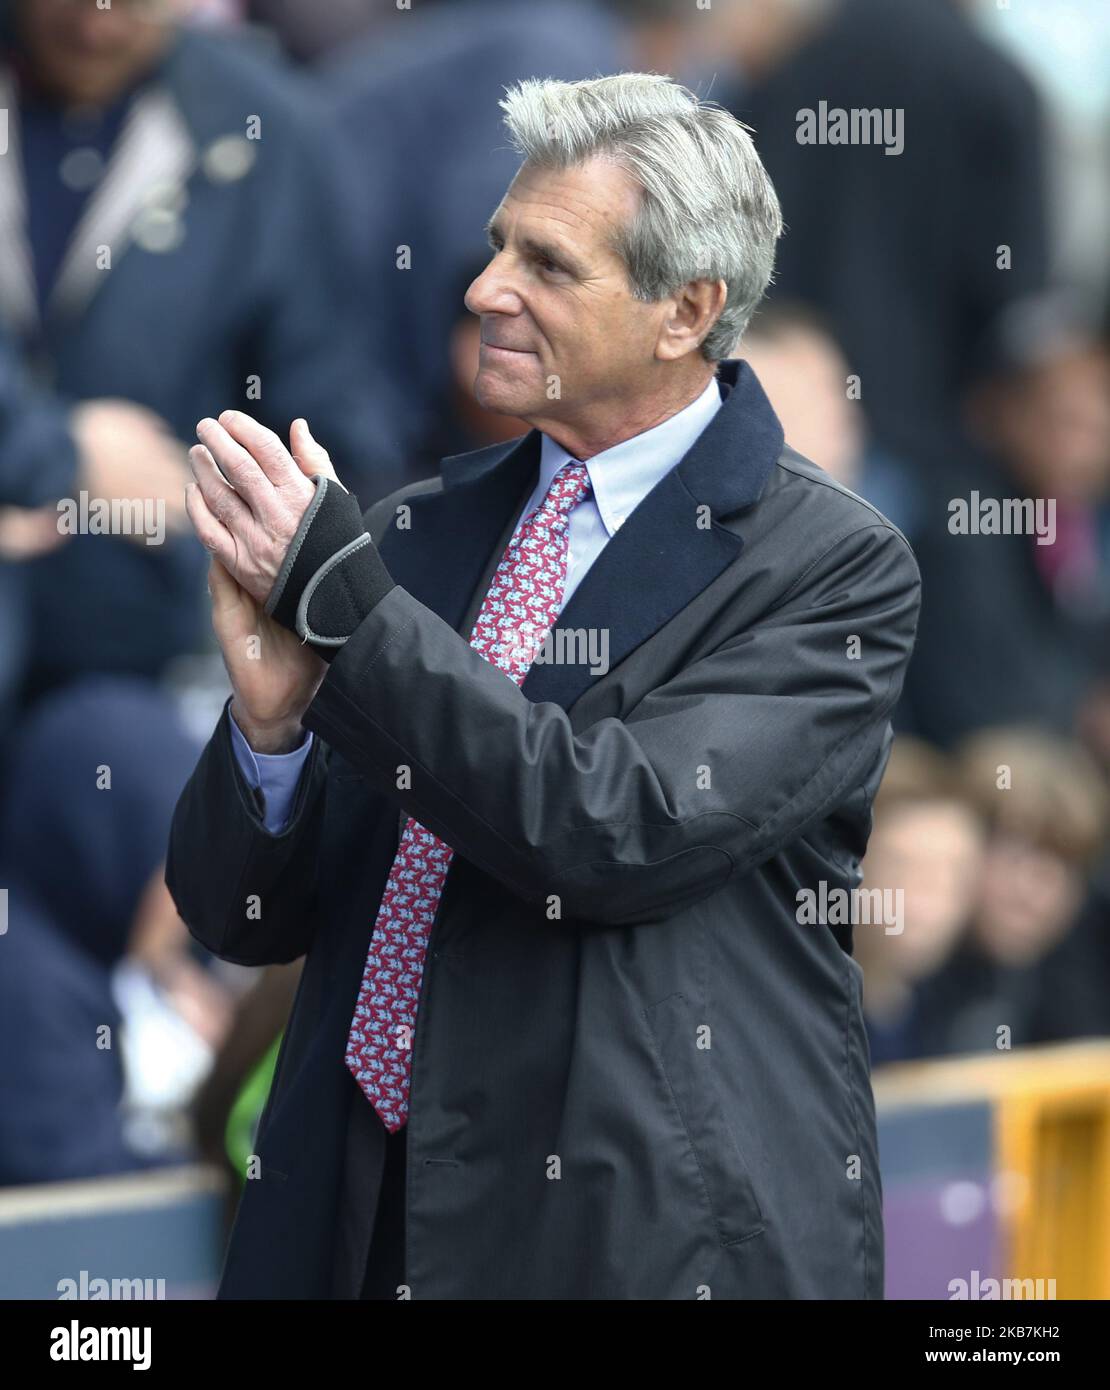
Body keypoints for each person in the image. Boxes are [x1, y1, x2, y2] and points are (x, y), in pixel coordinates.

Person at [167, 74, 921, 1299]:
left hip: (628, 1242)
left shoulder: (832, 567)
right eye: (496, 245)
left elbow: (609, 829)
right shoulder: (408, 532)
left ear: (686, 311)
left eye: (550, 264)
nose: (485, 290)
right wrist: (269, 730)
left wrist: (353, 615)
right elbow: (242, 920)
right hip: (348, 1214)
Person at [0, 0, 404, 707]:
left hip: (139, 647)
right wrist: (57, 449)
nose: (96, 27)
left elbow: (326, 408)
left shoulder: (264, 129)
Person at [0, 677, 209, 1186]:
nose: (184, 904)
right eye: (165, 867)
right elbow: (82, 1192)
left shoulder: (58, 943)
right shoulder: (27, 990)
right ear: (95, 846)